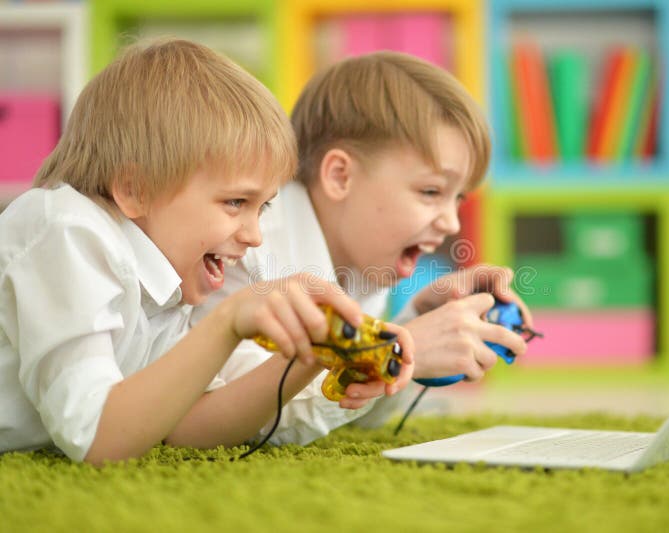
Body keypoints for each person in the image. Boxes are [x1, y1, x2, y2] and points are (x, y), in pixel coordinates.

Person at [0, 40, 413, 465]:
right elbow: (98, 440)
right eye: (236, 202)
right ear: (135, 190)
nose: (255, 236)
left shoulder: (169, 284)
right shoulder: (66, 230)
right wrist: (227, 321)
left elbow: (187, 427)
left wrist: (315, 355)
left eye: (263, 207)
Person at [191, 51, 532, 445]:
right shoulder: (247, 244)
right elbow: (240, 420)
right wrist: (399, 349)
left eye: (458, 199)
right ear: (340, 176)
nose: (452, 223)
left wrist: (412, 324)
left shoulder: (362, 256)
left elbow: (352, 417)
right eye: (431, 191)